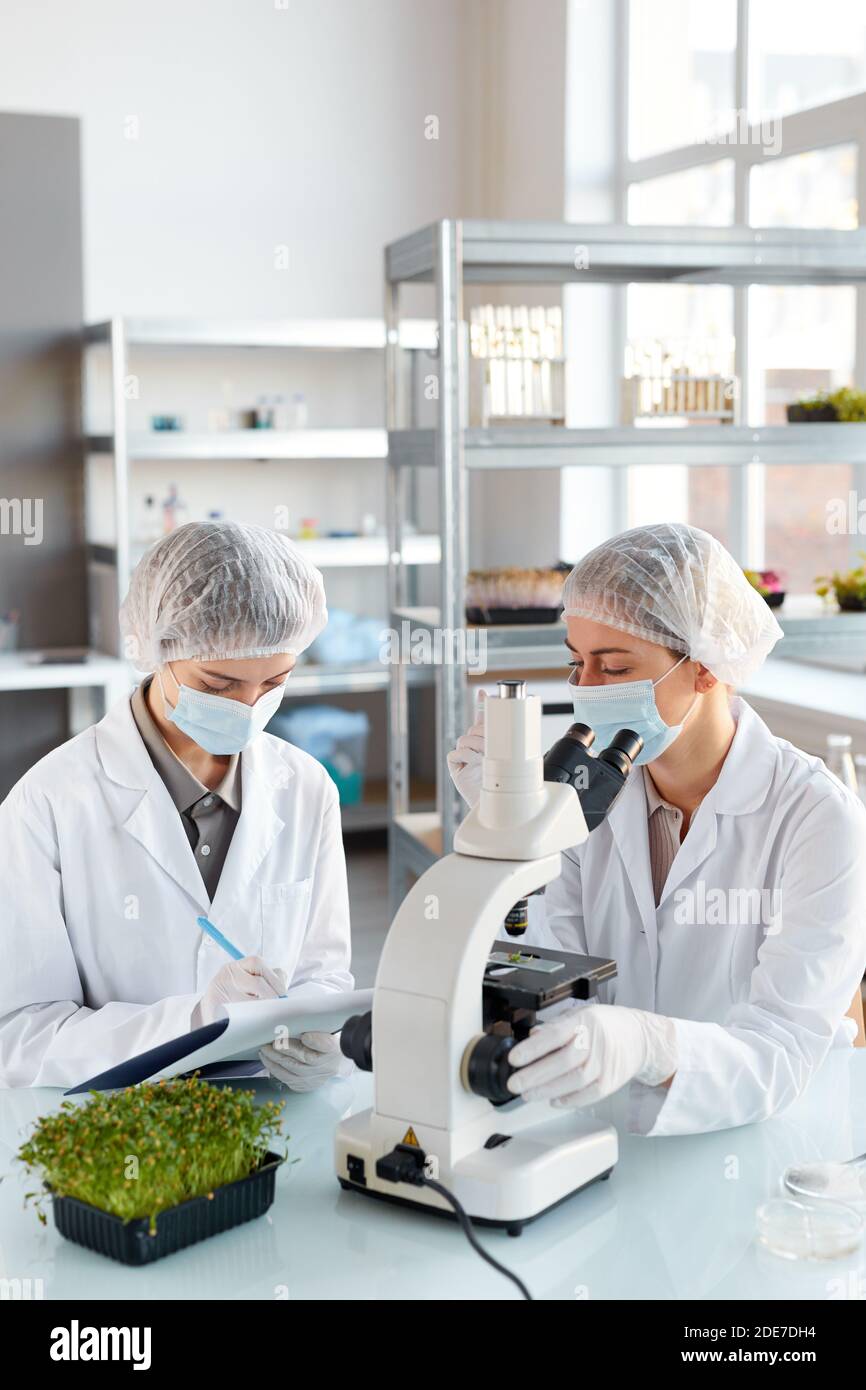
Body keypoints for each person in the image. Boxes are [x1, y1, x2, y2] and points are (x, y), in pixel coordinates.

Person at [448, 522, 866, 1136]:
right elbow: (550, 969)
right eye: (576, 663)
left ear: (705, 668)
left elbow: (781, 1049)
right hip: (607, 1124)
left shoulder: (817, 818)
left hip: (771, 1135)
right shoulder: (582, 799)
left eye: (614, 668)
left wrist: (654, 1046)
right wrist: (509, 839)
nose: (585, 689)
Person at [0, 521, 354, 1089]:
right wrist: (193, 1023)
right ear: (155, 647)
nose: (247, 707)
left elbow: (324, 977)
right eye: (218, 685)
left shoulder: (308, 788)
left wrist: (320, 1039)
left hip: (270, 1118)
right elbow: (21, 1036)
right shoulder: (49, 803)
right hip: (114, 1127)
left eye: (274, 682)